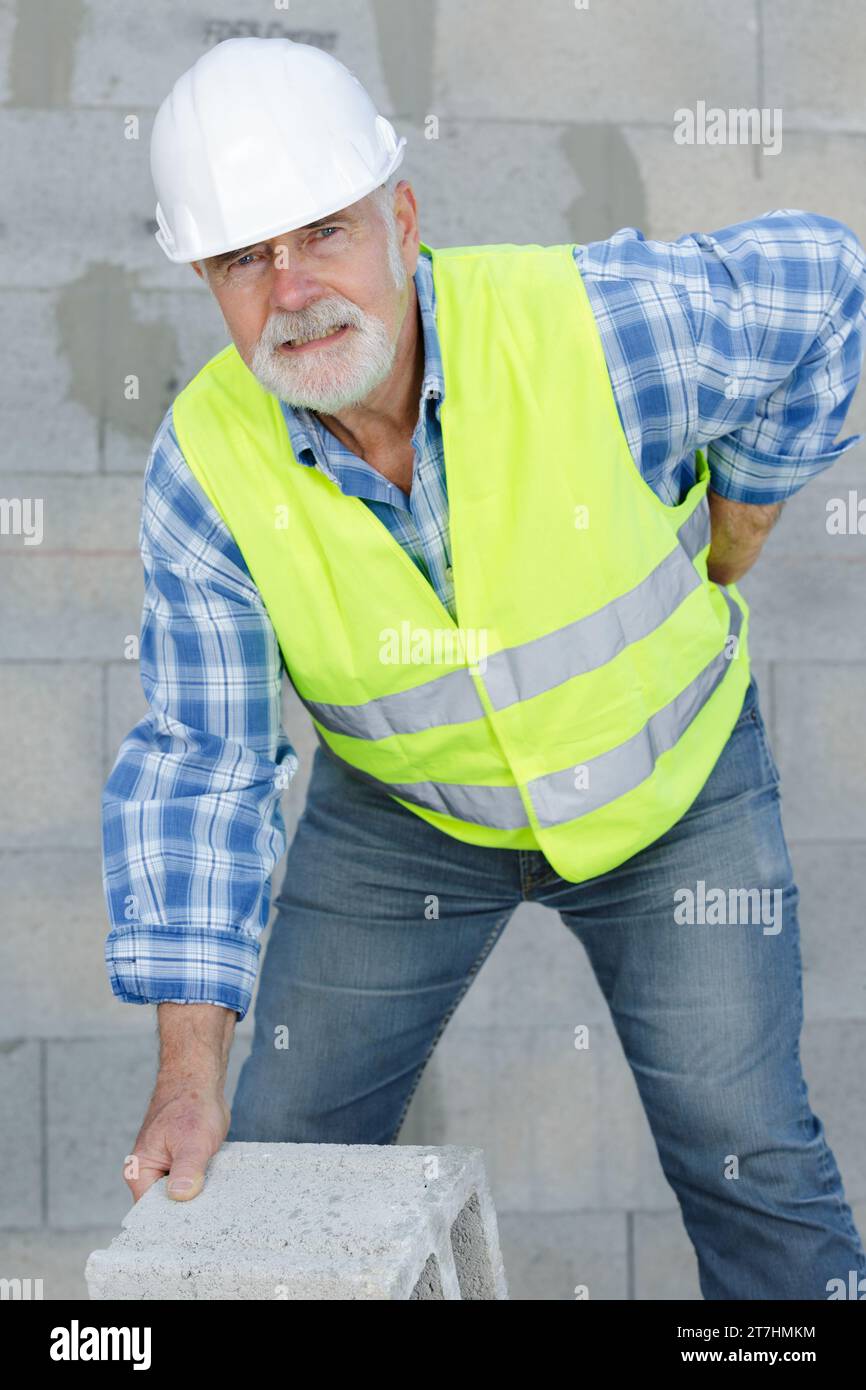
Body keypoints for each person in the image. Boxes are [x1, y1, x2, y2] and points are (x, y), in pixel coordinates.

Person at [102, 36, 866, 1299]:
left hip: (667, 793)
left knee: (750, 1161)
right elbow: (204, 766)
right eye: (244, 257)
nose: (290, 290)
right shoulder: (204, 468)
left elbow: (831, 282)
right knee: (272, 1164)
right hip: (405, 815)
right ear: (205, 278)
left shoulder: (592, 323)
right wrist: (191, 1077)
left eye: (323, 233)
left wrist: (747, 506)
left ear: (401, 220)